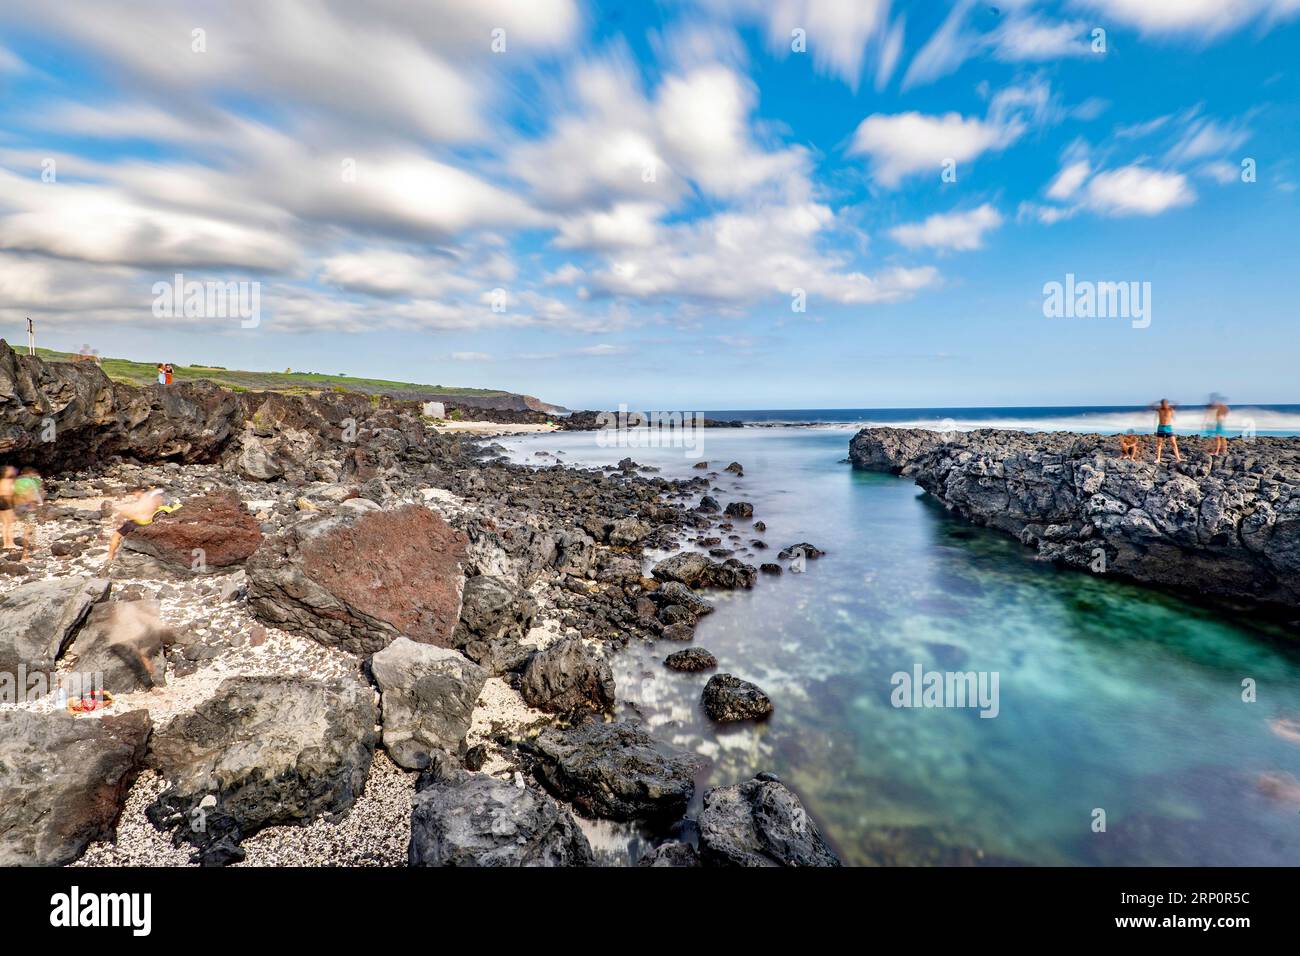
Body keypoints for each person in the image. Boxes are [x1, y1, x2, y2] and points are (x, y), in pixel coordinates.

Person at [104, 489, 183, 568]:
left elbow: (139, 515)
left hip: (139, 523)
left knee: (116, 536)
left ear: (139, 491)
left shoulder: (146, 500)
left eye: (135, 493)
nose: (135, 495)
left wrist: (123, 516)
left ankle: (110, 557)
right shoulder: (159, 500)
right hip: (149, 523)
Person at [12, 467, 44, 561]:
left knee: (23, 528)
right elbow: (36, 494)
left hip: (17, 507)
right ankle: (25, 554)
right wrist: (40, 504)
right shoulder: (31, 481)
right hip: (29, 507)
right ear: (29, 473)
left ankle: (32, 546)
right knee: (28, 529)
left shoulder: (16, 481)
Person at [1151, 399, 1182, 464]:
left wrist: (1170, 402)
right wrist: (1156, 401)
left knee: (1173, 443)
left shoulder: (1170, 409)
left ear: (1167, 404)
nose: (1164, 405)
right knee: (1159, 444)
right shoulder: (1159, 409)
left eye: (1165, 403)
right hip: (1161, 428)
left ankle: (1178, 458)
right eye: (1163, 404)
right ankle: (1158, 459)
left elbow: (1177, 403)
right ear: (1161, 404)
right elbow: (1151, 406)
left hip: (1168, 428)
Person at [0, 466, 16, 550]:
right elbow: (8, 492)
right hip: (6, 501)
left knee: (4, 524)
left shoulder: (1, 480)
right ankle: (11, 543)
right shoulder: (8, 481)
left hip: (1, 501)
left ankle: (5, 544)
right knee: (9, 524)